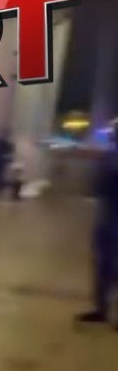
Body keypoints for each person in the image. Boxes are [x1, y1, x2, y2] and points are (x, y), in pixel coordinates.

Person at [76, 121, 118, 326]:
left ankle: (106, 310)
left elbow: (101, 183)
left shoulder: (110, 158)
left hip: (112, 218)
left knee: (110, 265)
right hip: (107, 217)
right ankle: (101, 309)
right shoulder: (109, 156)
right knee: (104, 265)